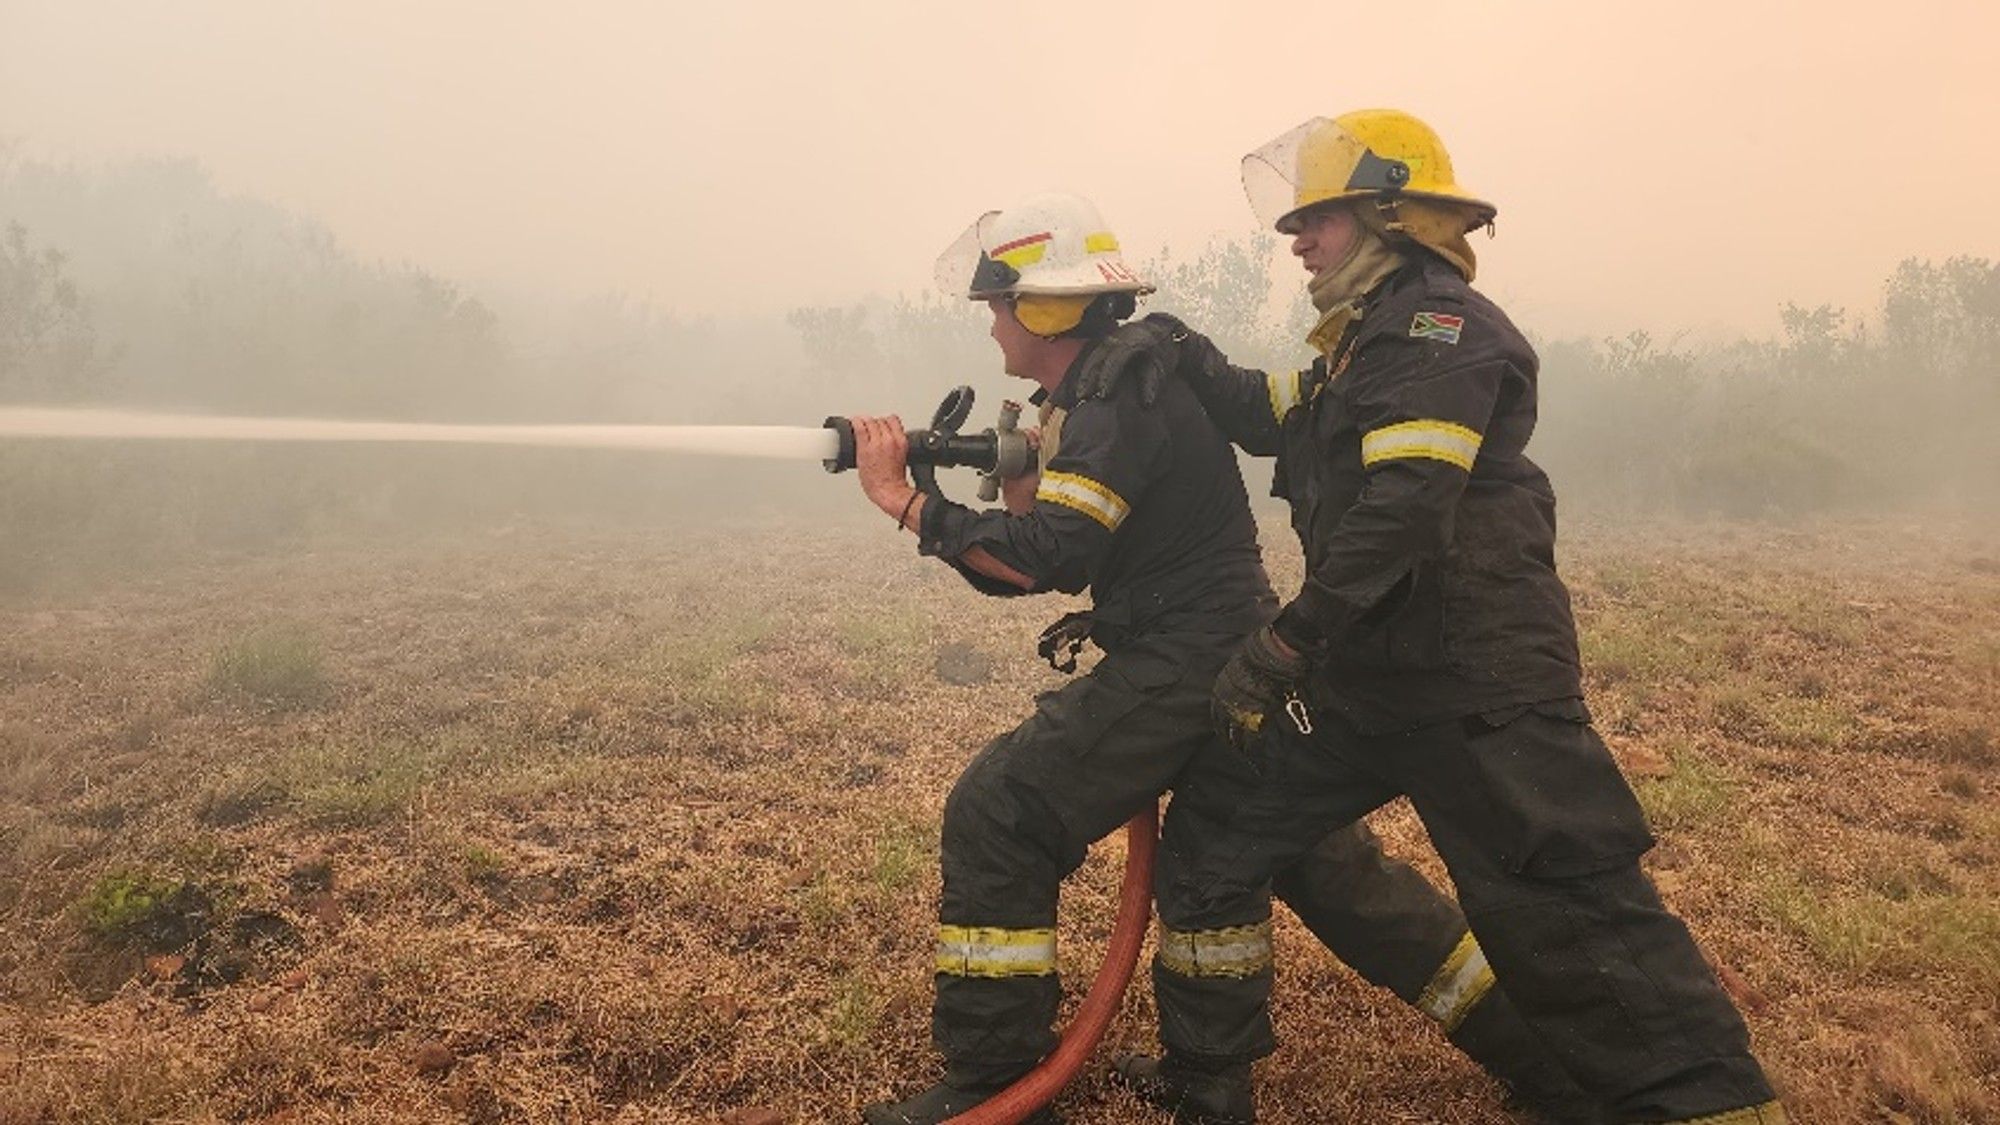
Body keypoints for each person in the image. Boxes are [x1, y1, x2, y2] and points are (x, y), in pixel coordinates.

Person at [1089, 111, 1786, 1123]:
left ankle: (1704, 1106)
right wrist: (1181, 347)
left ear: (1389, 215)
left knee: (1571, 915)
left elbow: (1405, 509)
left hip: (1476, 684)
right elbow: (1269, 412)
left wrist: (1284, 642)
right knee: (1222, 823)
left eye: (1316, 218)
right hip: (1368, 681)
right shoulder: (1362, 347)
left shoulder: (1440, 331)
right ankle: (1208, 1081)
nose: (1295, 238)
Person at [853, 191, 1590, 1125]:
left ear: (1042, 309)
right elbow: (1040, 554)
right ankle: (1536, 1063)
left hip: (1185, 652)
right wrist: (998, 486)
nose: (991, 322)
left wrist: (906, 503)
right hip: (1220, 643)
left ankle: (997, 1081)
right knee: (1311, 870)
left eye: (998, 303)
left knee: (1001, 808)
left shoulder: (1116, 391)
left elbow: (1046, 558)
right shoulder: (1100, 390)